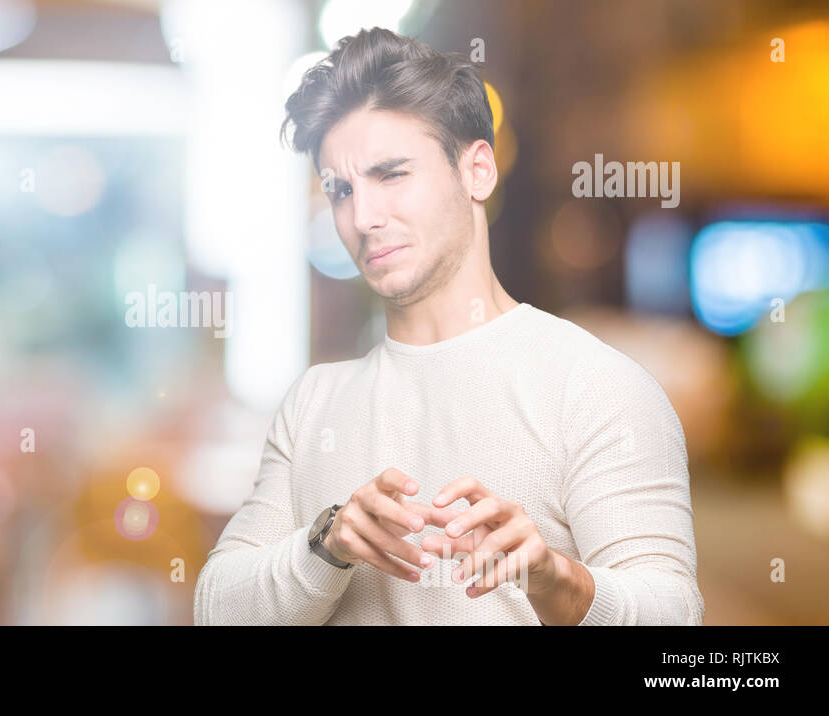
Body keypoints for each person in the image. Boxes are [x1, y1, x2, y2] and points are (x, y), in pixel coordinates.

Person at [193, 27, 703, 626]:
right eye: (340, 189)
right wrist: (325, 547)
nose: (362, 216)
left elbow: (676, 626)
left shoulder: (596, 387)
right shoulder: (314, 404)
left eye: (391, 174)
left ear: (478, 171)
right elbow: (215, 608)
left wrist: (554, 577)